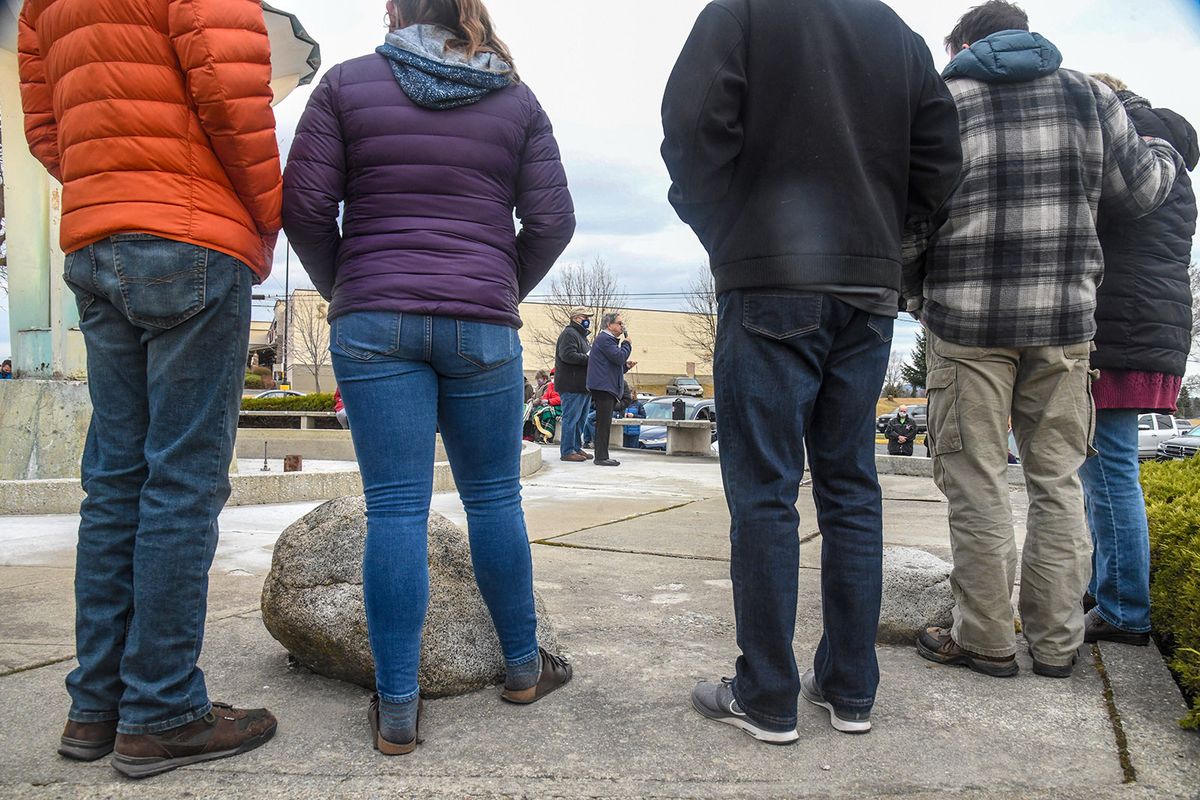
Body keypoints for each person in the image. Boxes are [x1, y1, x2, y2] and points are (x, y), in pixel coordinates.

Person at [282, 0, 575, 755]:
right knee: (493, 498)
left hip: (375, 321)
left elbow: (307, 207)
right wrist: (499, 287)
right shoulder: (517, 98)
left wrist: (349, 286)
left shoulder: (347, 85)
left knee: (397, 511)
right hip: (482, 322)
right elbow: (552, 221)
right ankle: (521, 668)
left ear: (396, 9)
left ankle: (401, 709)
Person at [663, 0, 962, 742]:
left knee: (765, 492)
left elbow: (695, 128)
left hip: (769, 276)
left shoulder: (742, 11)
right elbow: (941, 163)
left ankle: (766, 695)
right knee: (851, 488)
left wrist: (727, 228)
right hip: (865, 289)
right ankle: (850, 689)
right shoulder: (896, 33)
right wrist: (884, 241)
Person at [19, 0, 283, 777]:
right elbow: (235, 99)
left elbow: (44, 127)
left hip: (98, 241)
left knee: (115, 483)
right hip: (193, 235)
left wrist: (110, 188)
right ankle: (162, 709)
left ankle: (96, 706)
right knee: (183, 483)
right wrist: (261, 219)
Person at [908, 1, 1182, 681]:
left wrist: (914, 294)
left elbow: (910, 216)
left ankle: (986, 641)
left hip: (966, 326)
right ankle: (1057, 645)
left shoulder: (944, 99)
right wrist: (1169, 149)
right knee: (1057, 485)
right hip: (1063, 329)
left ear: (965, 42)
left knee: (975, 484)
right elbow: (1144, 192)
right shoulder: (1088, 95)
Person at [1081, 74, 1197, 647]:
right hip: (1155, 331)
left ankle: (1124, 607)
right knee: (1103, 466)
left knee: (1107, 467)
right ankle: (1107, 585)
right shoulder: (1171, 159)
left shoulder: (1126, 149)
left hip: (1118, 328)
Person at [585, 312, 634, 467]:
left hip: (605, 386)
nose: (622, 326)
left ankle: (602, 455)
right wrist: (627, 344)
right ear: (609, 325)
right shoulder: (605, 340)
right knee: (603, 424)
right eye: (619, 323)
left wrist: (625, 367)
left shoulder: (607, 341)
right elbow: (619, 357)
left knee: (604, 423)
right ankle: (600, 457)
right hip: (603, 388)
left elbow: (613, 365)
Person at [555, 308, 593, 462]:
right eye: (585, 317)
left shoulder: (582, 336)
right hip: (571, 385)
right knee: (571, 419)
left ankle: (576, 447)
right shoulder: (569, 334)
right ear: (576, 318)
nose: (587, 320)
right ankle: (567, 451)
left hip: (582, 386)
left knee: (580, 420)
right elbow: (568, 355)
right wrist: (589, 358)